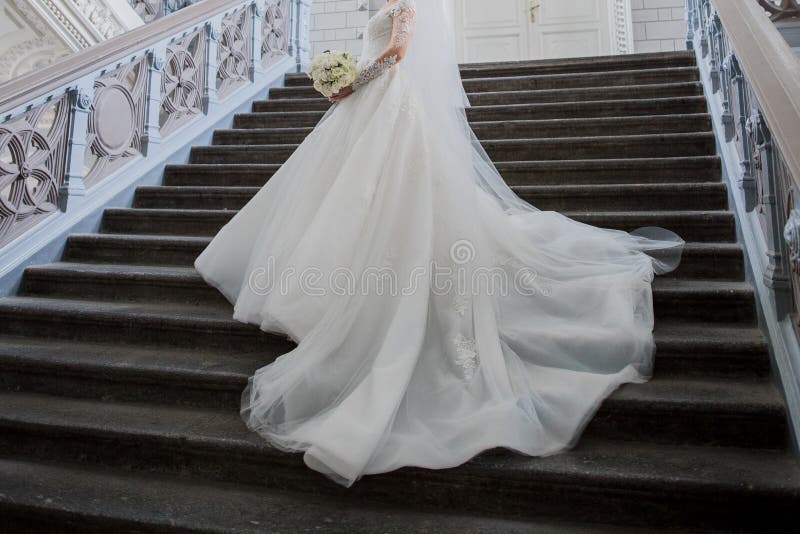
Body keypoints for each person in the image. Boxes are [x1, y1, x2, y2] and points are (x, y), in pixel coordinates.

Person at [194, 0, 684, 487]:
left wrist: (352, 81)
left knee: (393, 196)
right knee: (351, 195)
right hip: (368, 106)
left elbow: (398, 51)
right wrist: (346, 79)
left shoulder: (407, 6)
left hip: (388, 100)